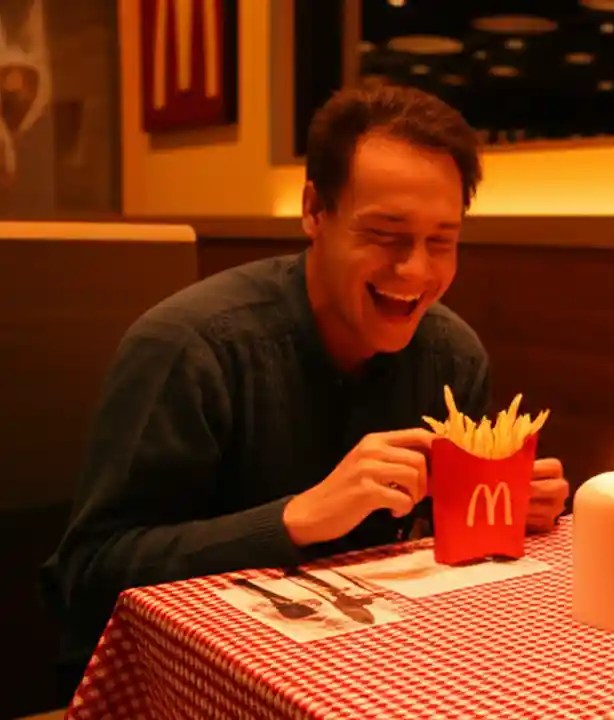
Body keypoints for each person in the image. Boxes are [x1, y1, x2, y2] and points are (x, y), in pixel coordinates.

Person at [42, 84, 570, 694]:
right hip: (173, 688)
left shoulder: (453, 356)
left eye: (442, 241)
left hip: (373, 676)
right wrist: (294, 519)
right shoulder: (192, 348)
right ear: (315, 211)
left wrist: (507, 509)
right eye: (386, 234)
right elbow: (88, 575)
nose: (418, 271)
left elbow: (434, 558)